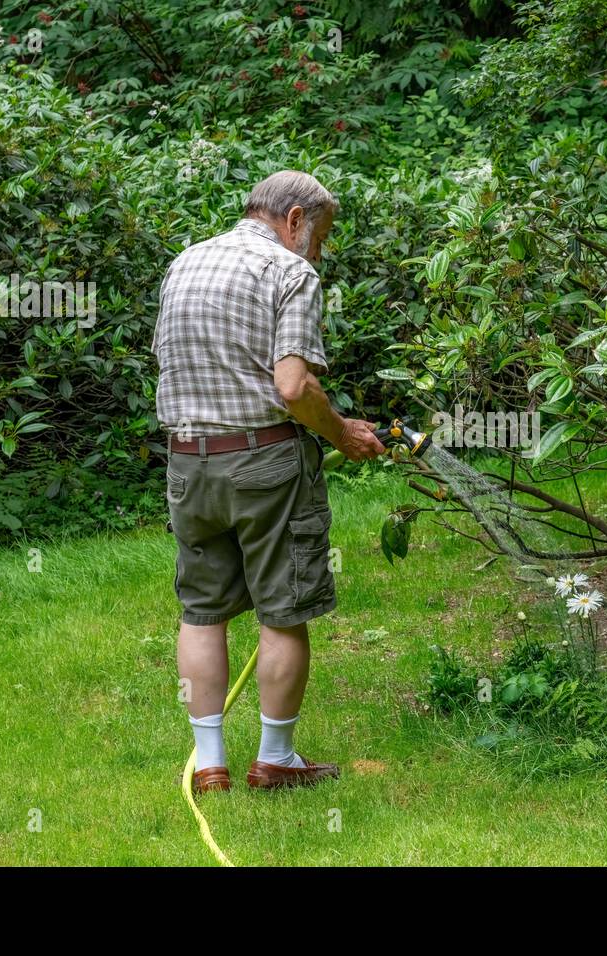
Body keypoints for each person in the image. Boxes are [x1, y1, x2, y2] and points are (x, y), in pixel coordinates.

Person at [151, 170, 386, 793]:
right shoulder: (290, 273)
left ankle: (209, 765)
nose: (320, 251)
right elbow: (292, 387)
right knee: (282, 613)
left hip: (186, 464)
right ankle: (276, 759)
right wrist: (340, 433)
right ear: (294, 220)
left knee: (202, 612)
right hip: (264, 463)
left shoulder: (186, 263)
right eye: (321, 236)